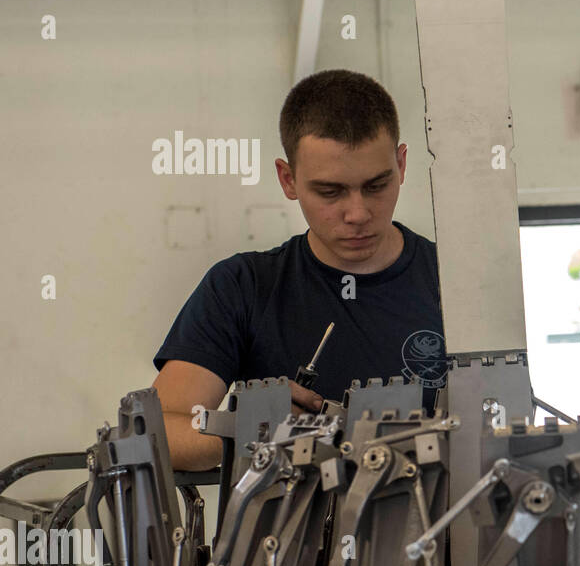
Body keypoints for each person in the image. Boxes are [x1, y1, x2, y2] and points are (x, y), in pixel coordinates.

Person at [152, 69, 448, 471]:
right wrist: (254, 432)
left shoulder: (455, 283)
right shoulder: (242, 288)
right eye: (330, 191)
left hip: (443, 530)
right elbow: (158, 432)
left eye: (377, 185)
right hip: (286, 533)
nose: (358, 213)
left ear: (401, 164)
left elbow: (503, 420)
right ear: (288, 179)